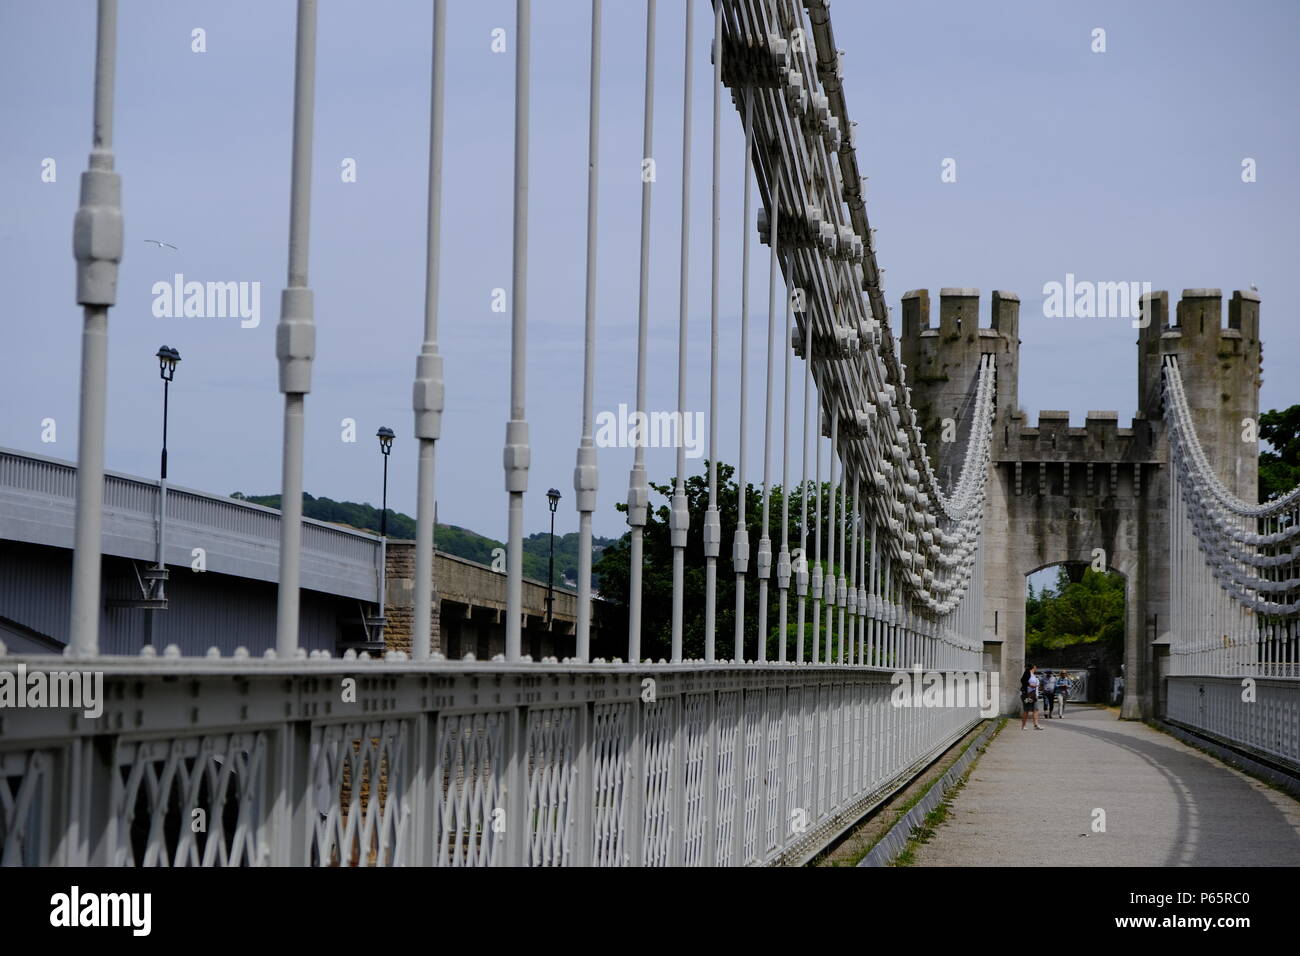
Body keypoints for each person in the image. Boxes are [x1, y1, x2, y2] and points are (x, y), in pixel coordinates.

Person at [1019, 664, 1042, 730]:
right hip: (1026, 695)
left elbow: (1035, 687)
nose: (1036, 668)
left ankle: (1036, 725)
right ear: (1033, 667)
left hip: (1033, 695)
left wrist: (1036, 695)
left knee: (1036, 709)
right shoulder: (1027, 673)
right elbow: (1022, 680)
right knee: (1026, 710)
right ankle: (1023, 726)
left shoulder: (1033, 675)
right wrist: (1030, 685)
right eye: (1035, 667)